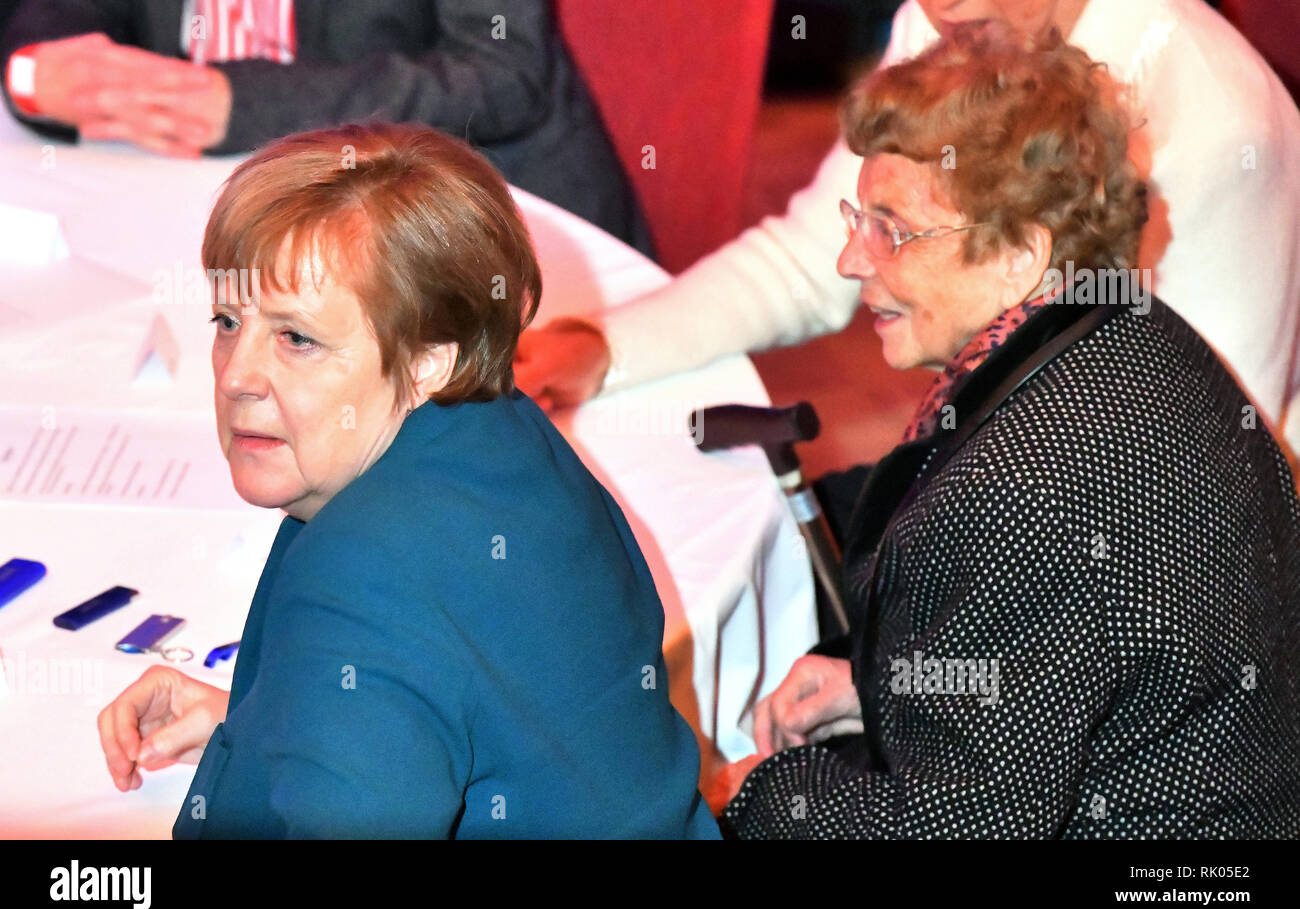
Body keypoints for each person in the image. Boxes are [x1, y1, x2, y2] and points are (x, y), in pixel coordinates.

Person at [708, 26, 1300, 839]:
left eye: (894, 229)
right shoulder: (1139, 333)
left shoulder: (1023, 488)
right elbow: (1063, 665)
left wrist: (758, 791)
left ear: (1021, 257)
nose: (851, 260)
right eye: (859, 217)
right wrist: (881, 680)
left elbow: (958, 829)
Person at [95, 122, 719, 840]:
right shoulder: (509, 435)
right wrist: (277, 724)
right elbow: (493, 705)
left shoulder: (365, 576)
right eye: (229, 321)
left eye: (297, 338)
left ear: (430, 361)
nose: (236, 376)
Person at [514, 0, 1300, 458]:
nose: (934, 10)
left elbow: (1221, 455)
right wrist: (607, 347)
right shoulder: (959, 20)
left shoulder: (1216, 117)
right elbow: (810, 259)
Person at [0, 0, 651, 253]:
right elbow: (59, 14)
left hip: (459, 225)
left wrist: (247, 106)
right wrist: (40, 71)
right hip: (203, 216)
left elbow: (504, 74)